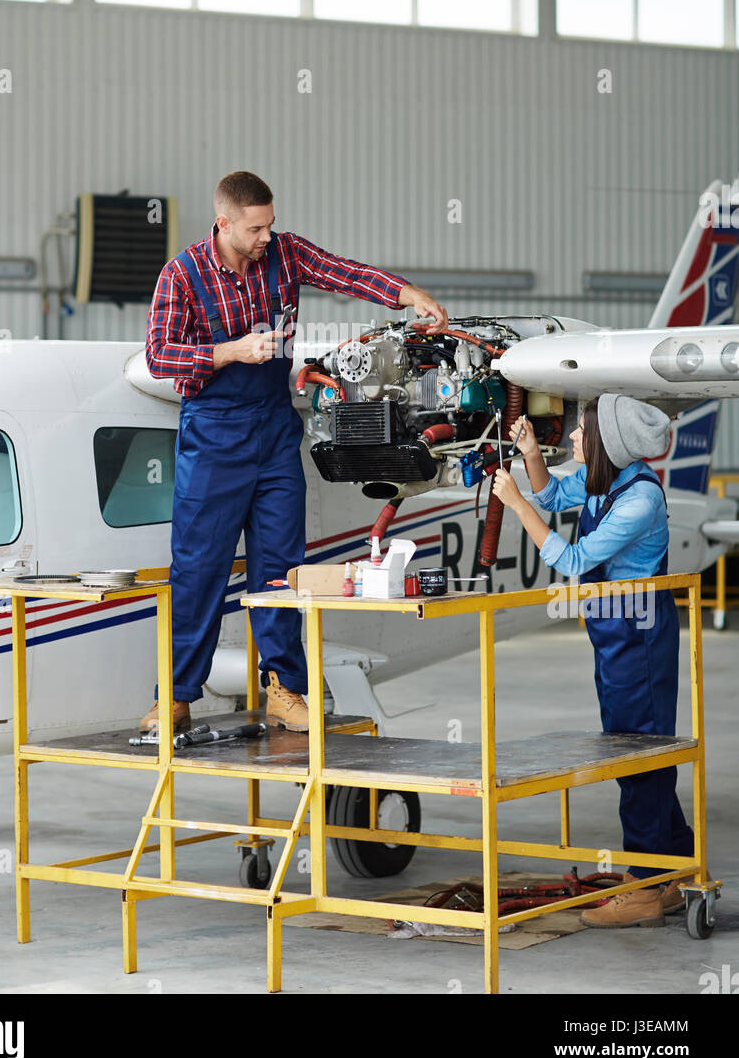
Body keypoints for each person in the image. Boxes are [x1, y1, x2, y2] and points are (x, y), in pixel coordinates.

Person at [142, 170, 448, 734]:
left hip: (276, 434)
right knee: (198, 569)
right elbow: (160, 359)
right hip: (214, 436)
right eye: (255, 228)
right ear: (224, 223)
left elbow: (343, 272)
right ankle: (178, 696)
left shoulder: (284, 255)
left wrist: (407, 295)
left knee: (281, 570)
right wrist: (232, 351)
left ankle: (286, 689)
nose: (266, 237)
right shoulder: (181, 275)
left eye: (270, 225)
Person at [493, 394, 697, 928]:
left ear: (607, 442)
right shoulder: (608, 480)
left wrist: (516, 505)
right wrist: (532, 454)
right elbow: (555, 493)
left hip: (640, 635)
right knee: (638, 752)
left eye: (583, 432)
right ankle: (673, 868)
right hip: (614, 631)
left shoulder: (639, 499)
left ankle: (645, 888)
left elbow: (576, 558)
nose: (575, 438)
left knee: (637, 760)